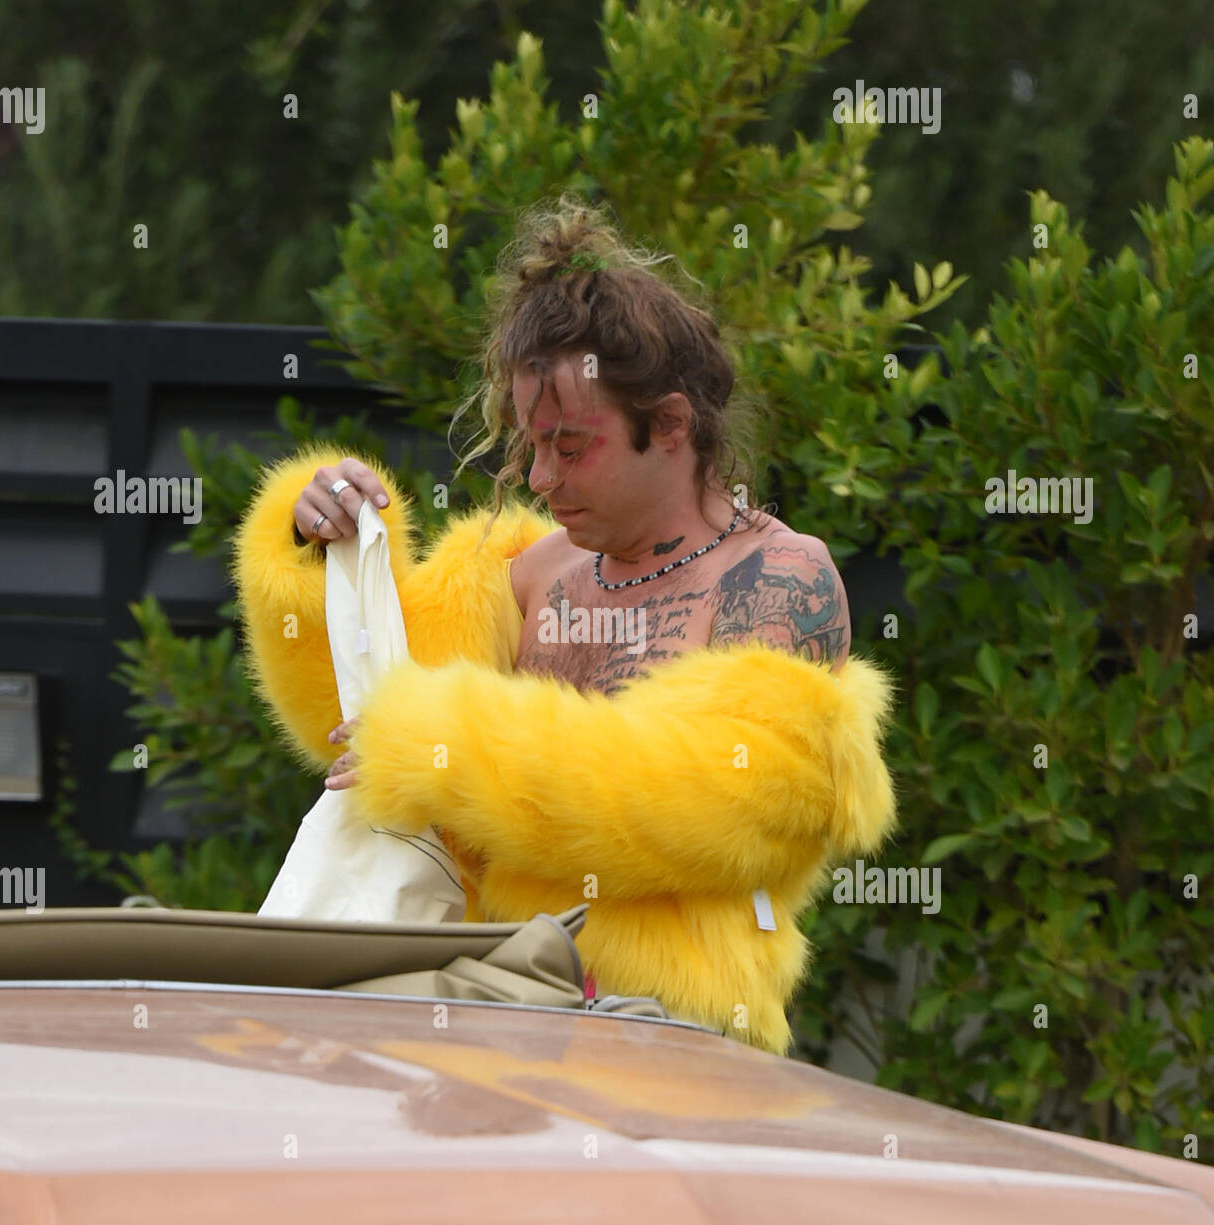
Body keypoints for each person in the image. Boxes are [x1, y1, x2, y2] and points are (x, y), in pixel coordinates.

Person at [231, 196, 898, 1054]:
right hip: (482, 1037)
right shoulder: (521, 572)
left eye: (572, 446)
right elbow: (356, 729)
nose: (541, 476)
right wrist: (318, 546)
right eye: (530, 445)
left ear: (668, 426)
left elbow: (725, 807)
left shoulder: (774, 576)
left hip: (672, 1050)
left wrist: (446, 750)